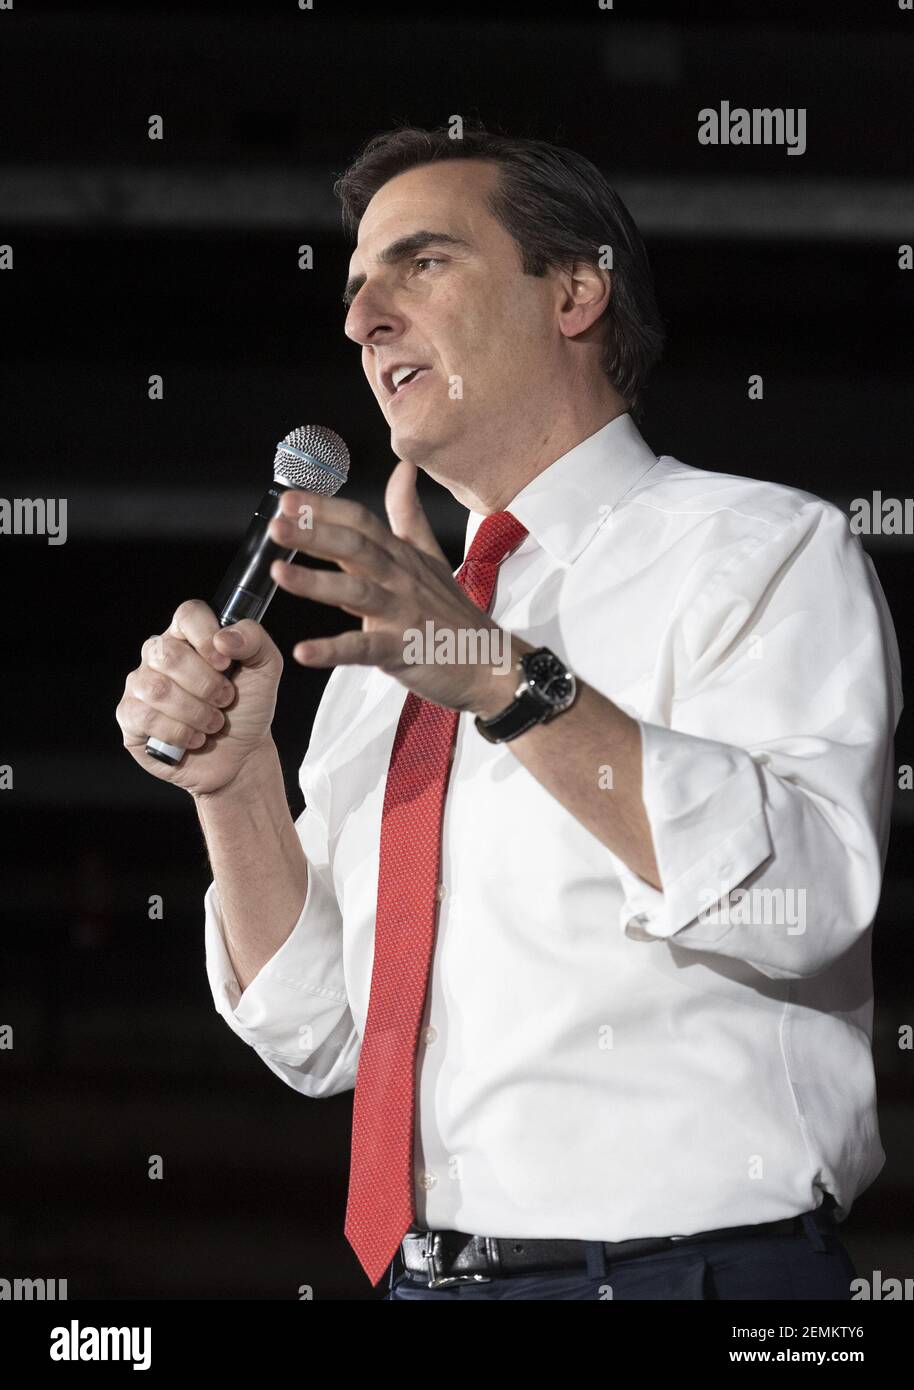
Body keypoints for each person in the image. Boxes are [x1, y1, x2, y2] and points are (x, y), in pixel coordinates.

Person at [116, 124, 902, 1300]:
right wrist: (237, 788)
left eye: (419, 264)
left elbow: (810, 899)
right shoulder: (391, 637)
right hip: (426, 1282)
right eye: (352, 288)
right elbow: (324, 1032)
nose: (361, 317)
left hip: (695, 1278)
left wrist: (501, 679)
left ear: (575, 291)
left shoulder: (758, 549)